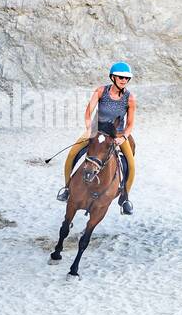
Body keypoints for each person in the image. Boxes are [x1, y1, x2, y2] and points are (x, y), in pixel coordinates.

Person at [57, 62, 136, 214]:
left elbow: (131, 123)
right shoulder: (101, 91)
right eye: (121, 77)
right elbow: (88, 112)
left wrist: (124, 137)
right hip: (96, 131)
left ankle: (125, 199)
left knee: (131, 166)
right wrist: (89, 128)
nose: (124, 80)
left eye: (127, 78)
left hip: (117, 134)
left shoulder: (130, 98)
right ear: (113, 77)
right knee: (72, 154)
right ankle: (67, 188)